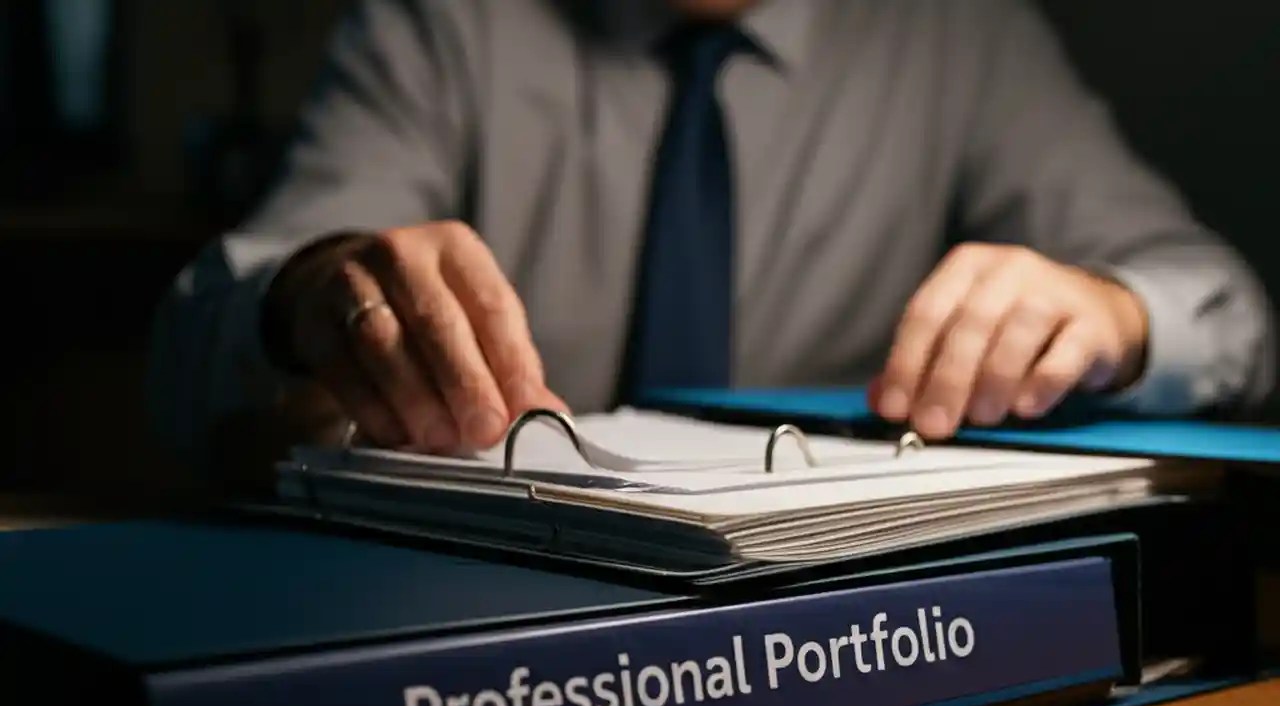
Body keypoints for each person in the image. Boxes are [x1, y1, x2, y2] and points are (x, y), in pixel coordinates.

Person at [147, 0, 1274, 478]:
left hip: (845, 625)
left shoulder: (958, 32)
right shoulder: (444, 23)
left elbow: (1221, 307)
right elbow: (205, 337)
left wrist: (1113, 316)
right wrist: (307, 295)